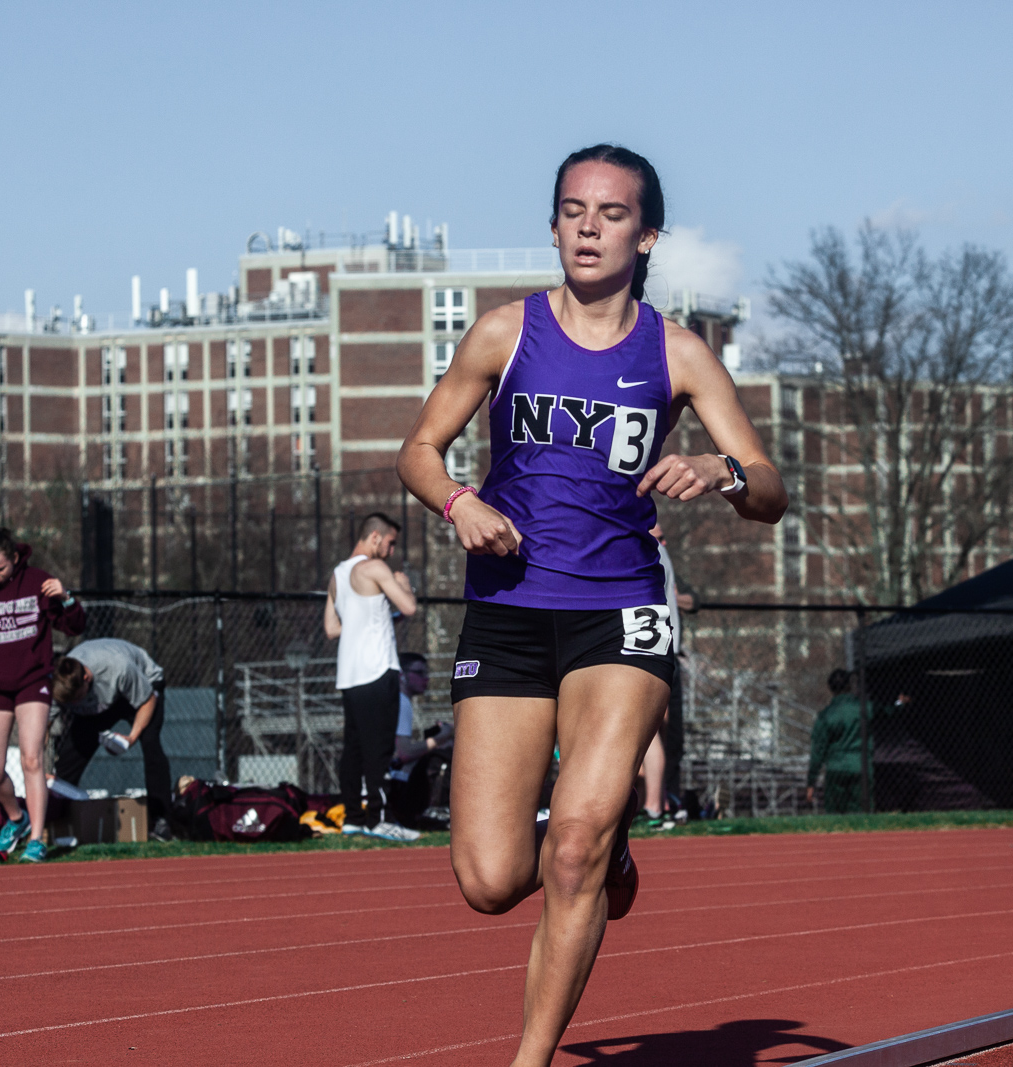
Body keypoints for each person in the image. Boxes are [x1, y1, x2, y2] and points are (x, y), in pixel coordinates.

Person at [397, 143, 787, 1067]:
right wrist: (459, 503)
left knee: (568, 844)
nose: (588, 226)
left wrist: (719, 469)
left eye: (611, 213)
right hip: (508, 606)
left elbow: (770, 488)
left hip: (620, 611)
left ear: (646, 234)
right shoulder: (504, 333)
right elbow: (419, 448)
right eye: (573, 209)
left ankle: (529, 1057)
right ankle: (609, 850)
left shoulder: (677, 352)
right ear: (554, 222)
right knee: (491, 880)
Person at [0, 528, 85, 862]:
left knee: (31, 758)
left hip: (32, 681)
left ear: (15, 559)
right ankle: (17, 820)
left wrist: (66, 598)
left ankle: (37, 839)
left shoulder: (38, 581)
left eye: (0, 568)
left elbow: (75, 626)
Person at [323, 512, 421, 842]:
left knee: (353, 748)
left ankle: (353, 817)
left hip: (349, 675)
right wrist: (405, 585)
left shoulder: (337, 575)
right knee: (379, 749)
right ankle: (377, 819)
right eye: (390, 542)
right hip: (378, 670)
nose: (392, 551)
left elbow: (332, 628)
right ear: (375, 537)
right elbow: (408, 607)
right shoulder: (376, 569)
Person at [48, 638, 175, 842]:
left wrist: (130, 738)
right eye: (68, 702)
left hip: (144, 687)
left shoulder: (118, 668)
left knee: (151, 744)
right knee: (70, 757)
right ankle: (55, 818)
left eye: (76, 699)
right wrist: (38, 762)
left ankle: (161, 820)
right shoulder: (59, 686)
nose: (73, 704)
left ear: (87, 677)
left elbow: (148, 700)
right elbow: (43, 729)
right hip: (101, 702)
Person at [639, 523, 696, 827]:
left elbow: (692, 600)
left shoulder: (648, 551)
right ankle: (655, 803)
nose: (664, 541)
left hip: (650, 649)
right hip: (658, 649)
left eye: (662, 536)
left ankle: (654, 805)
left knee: (648, 731)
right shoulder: (654, 551)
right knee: (650, 731)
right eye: (659, 536)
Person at [805, 668, 892, 813]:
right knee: (861, 813)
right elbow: (886, 711)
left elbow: (818, 750)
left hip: (836, 769)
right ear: (850, 686)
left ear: (830, 688)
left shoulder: (826, 715)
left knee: (836, 815)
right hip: (860, 766)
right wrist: (900, 703)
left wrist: (811, 782)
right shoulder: (865, 708)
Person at [387, 652, 455, 829]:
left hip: (389, 779)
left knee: (441, 750)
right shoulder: (401, 702)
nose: (426, 679)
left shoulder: (398, 700)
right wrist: (442, 737)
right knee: (441, 758)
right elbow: (404, 754)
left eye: (427, 673)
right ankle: (436, 811)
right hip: (390, 785)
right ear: (402, 675)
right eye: (419, 673)